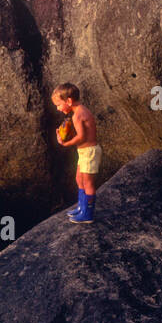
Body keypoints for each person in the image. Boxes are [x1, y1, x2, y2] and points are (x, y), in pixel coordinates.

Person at [52, 83, 101, 223]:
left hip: (89, 152)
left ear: (68, 101)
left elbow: (81, 137)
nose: (58, 108)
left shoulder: (78, 115)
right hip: (84, 152)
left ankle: (88, 213)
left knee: (88, 183)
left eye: (59, 105)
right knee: (79, 178)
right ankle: (81, 207)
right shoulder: (79, 112)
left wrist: (65, 143)